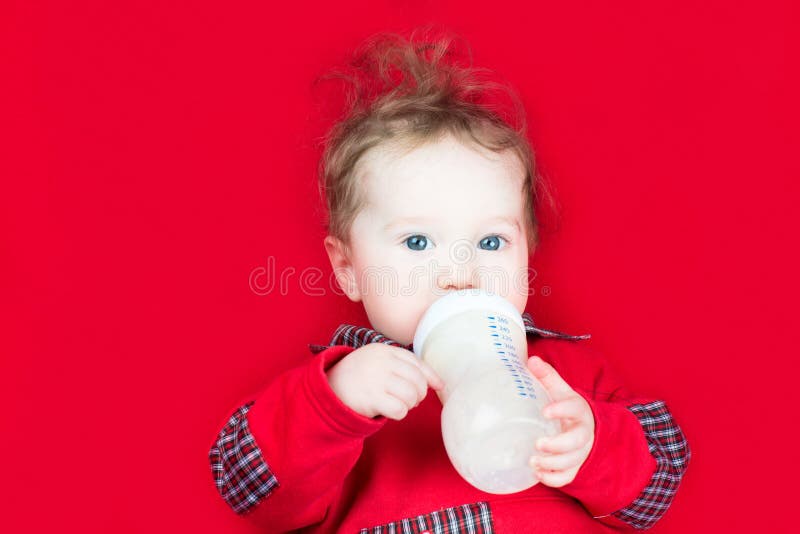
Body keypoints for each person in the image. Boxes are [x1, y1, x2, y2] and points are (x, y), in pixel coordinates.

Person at [209, 28, 690, 532]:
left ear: (527, 251)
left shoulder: (562, 377)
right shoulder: (351, 390)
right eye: (417, 243)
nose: (459, 275)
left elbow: (658, 486)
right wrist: (334, 404)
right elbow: (250, 489)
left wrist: (593, 442)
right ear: (347, 269)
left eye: (490, 243)